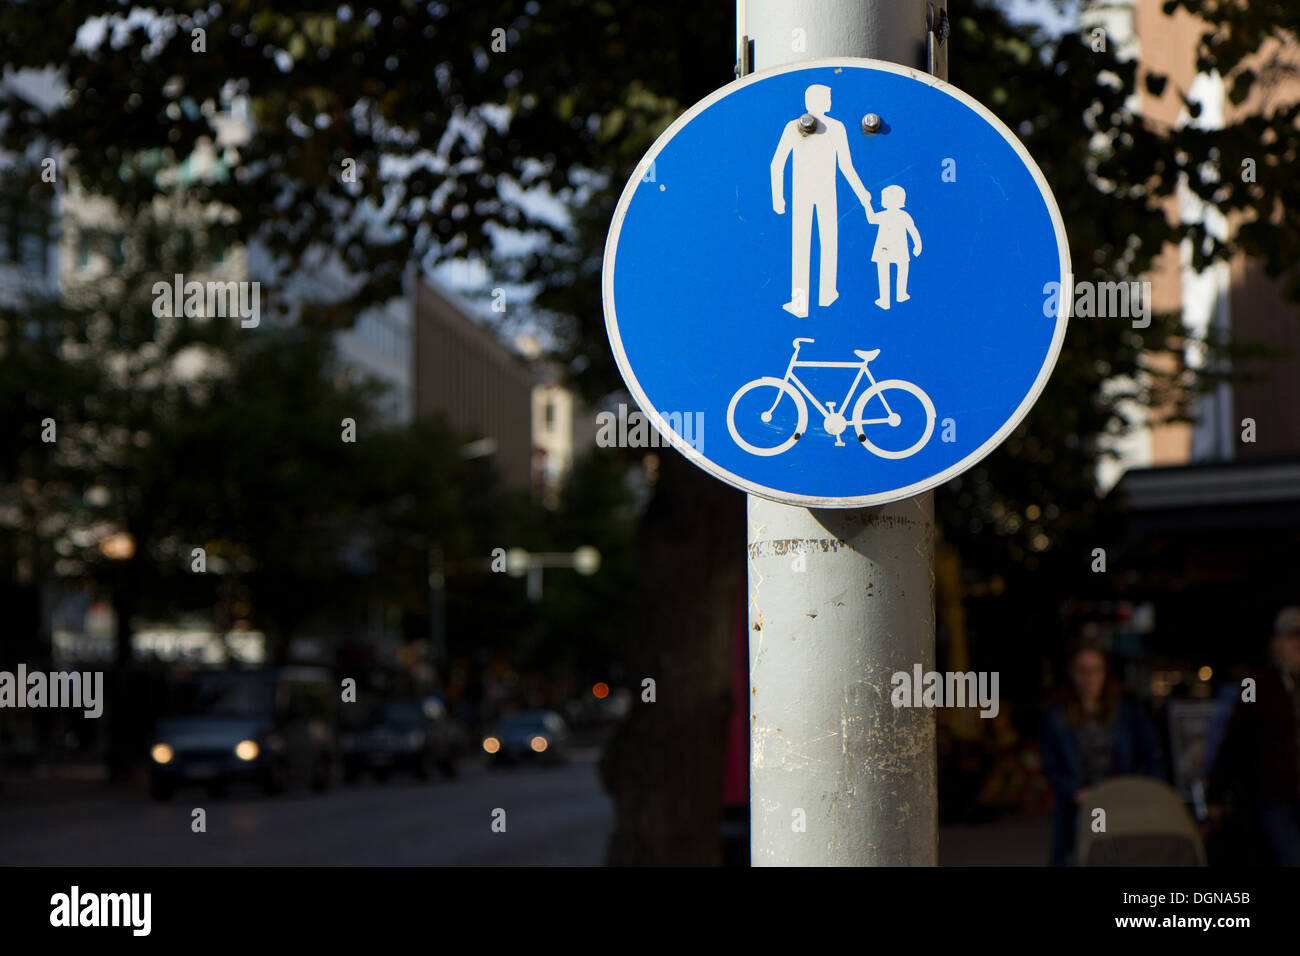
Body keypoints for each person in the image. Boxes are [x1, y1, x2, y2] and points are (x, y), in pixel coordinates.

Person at [1039, 642, 1163, 866]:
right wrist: (1074, 791)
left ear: (1105, 673)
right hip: (1078, 805)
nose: (1089, 678)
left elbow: (1151, 757)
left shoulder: (1128, 711)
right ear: (1073, 673)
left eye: (1096, 670)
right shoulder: (1056, 715)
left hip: (1123, 801)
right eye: (1083, 671)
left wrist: (1135, 790)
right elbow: (1050, 766)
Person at [1206, 606, 1300, 866]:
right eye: (1293, 635)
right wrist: (1215, 793)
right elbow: (1235, 741)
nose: (1298, 643)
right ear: (1277, 642)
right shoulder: (1258, 685)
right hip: (1276, 797)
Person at [770, 84, 872, 317]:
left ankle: (824, 296)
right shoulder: (794, 127)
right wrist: (778, 198)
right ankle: (809, 299)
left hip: (822, 192)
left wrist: (862, 192)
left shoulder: (836, 127)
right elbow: (777, 163)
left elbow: (846, 166)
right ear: (812, 100)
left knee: (823, 242)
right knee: (809, 243)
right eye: (827, 97)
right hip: (807, 193)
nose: (830, 102)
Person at [864, 184, 921, 310]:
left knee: (885, 272)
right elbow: (913, 230)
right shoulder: (904, 215)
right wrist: (917, 245)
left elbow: (871, 218)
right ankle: (900, 295)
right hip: (897, 248)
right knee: (902, 269)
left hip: (885, 248)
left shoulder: (886, 215)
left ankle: (886, 299)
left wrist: (867, 205)